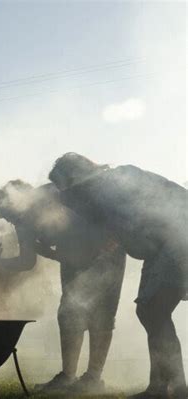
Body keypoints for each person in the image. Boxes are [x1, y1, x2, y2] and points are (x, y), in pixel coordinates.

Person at [49, 152, 187, 399]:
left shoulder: (108, 187)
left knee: (153, 310)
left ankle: (173, 389)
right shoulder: (107, 186)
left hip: (177, 237)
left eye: (64, 188)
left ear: (73, 178)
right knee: (151, 310)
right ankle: (162, 387)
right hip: (164, 244)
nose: (65, 197)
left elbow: (140, 238)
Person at [0, 180, 126, 394]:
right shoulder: (21, 222)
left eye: (11, 214)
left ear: (22, 198)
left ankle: (92, 378)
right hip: (71, 259)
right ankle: (68, 377)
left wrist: (53, 252)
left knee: (103, 314)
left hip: (107, 251)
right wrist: (0, 261)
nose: (13, 221)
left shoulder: (56, 193)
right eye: (8, 218)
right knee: (69, 313)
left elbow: (96, 216)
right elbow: (27, 260)